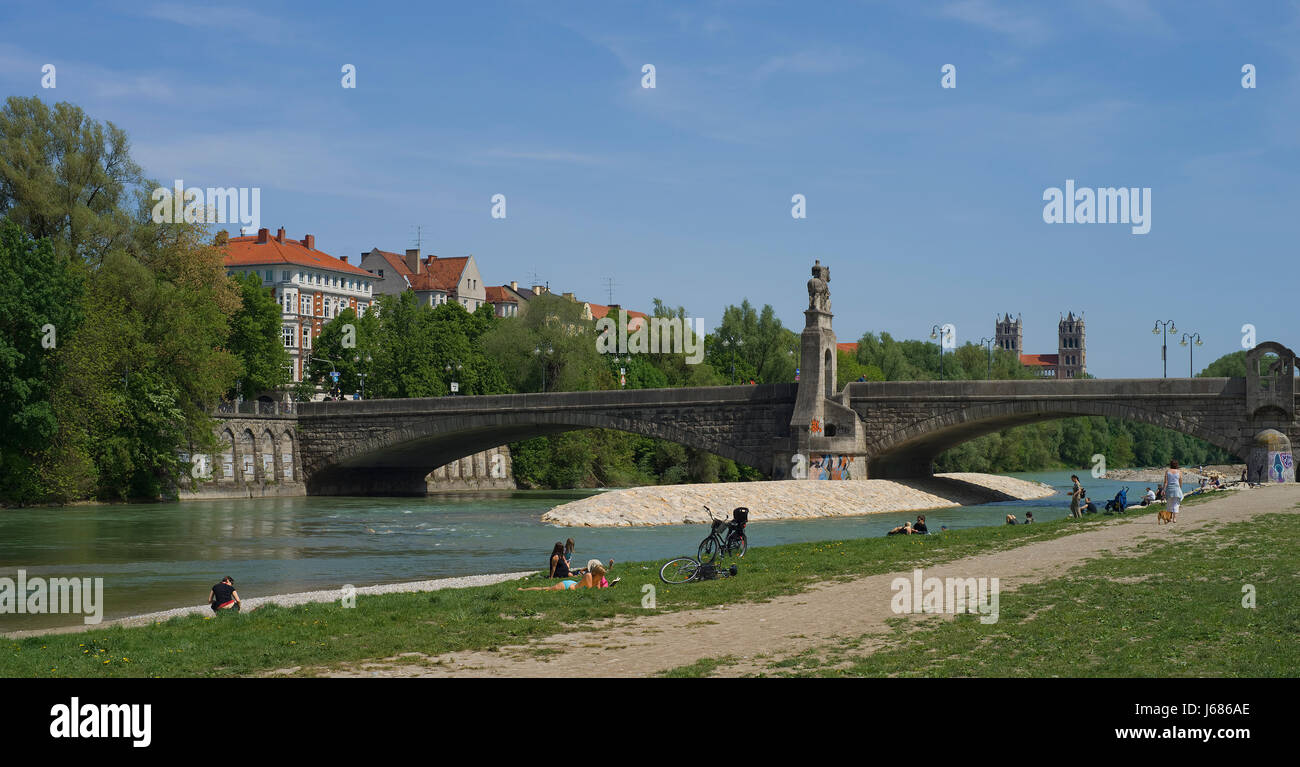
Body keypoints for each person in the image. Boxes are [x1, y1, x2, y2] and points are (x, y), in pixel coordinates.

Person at [519, 563, 613, 591]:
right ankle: (523, 590)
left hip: (574, 584)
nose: (602, 577)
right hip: (567, 586)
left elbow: (598, 591)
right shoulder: (588, 575)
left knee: (545, 589)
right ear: (596, 574)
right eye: (602, 575)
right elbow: (589, 591)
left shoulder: (597, 579)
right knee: (545, 589)